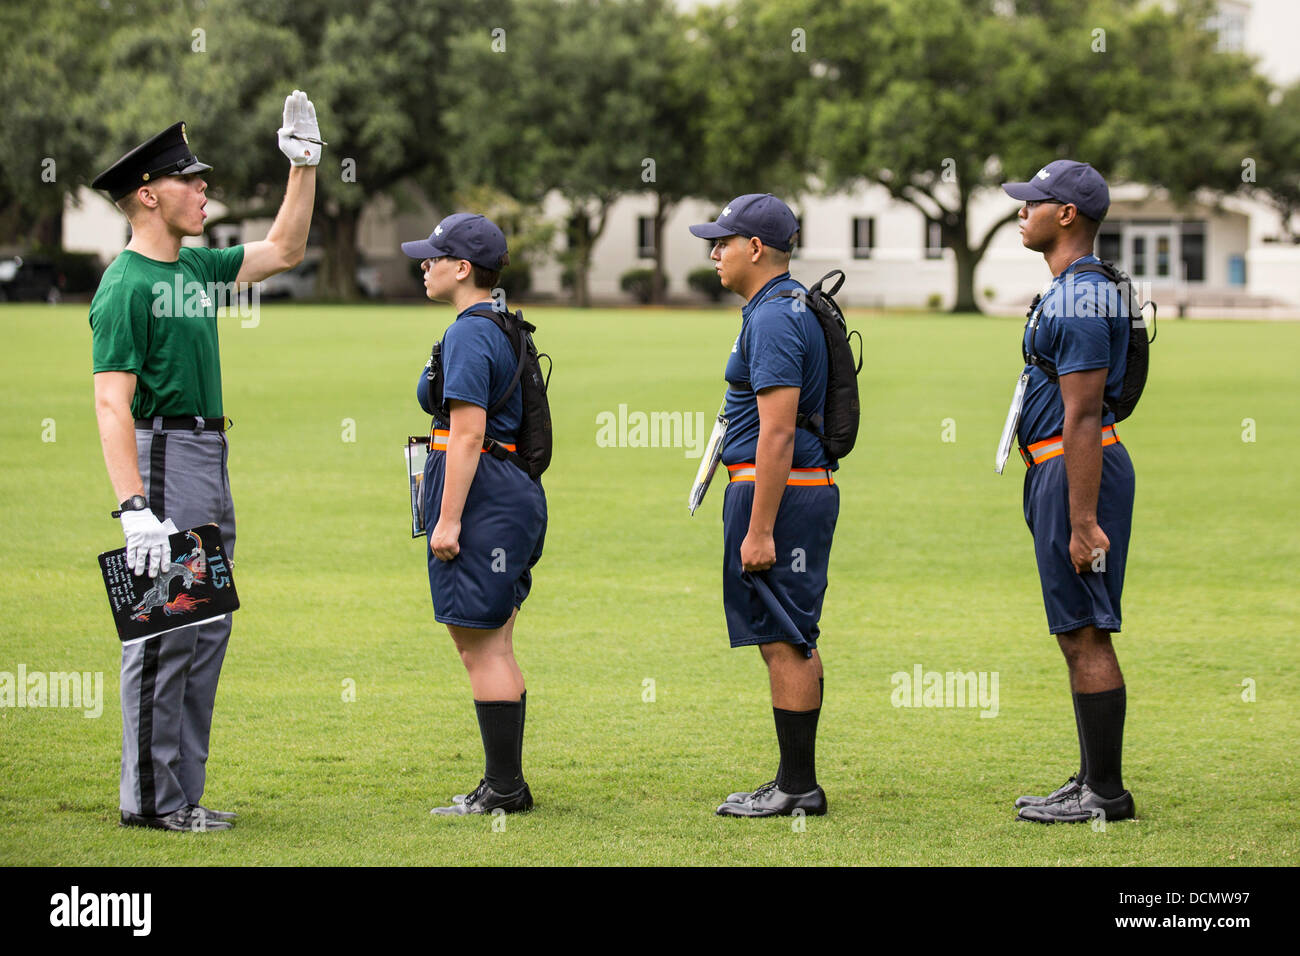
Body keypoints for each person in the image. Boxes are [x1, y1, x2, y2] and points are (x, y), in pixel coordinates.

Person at [90, 92, 321, 831]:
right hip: (163, 454)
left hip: (207, 452)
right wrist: (134, 509)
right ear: (149, 193)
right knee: (166, 629)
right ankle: (151, 803)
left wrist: (303, 167)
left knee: (205, 627)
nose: (204, 190)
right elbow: (109, 404)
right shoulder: (126, 283)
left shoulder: (192, 267)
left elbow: (284, 251)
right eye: (191, 180)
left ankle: (180, 795)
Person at [688, 194, 837, 817]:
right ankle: (794, 780)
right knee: (789, 633)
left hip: (780, 492)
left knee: (785, 637)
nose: (714, 252)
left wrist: (760, 528)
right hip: (786, 487)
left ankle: (797, 788)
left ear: (756, 249)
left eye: (723, 241)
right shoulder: (779, 308)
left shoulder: (776, 317)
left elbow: (776, 431)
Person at [1000, 160, 1136, 824]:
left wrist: (1083, 521)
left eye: (1033, 202)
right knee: (1074, 630)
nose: (1020, 210)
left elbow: (1083, 413)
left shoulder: (1082, 296)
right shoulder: (1070, 289)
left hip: (1080, 471)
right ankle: (1091, 779)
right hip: (1057, 469)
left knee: (1087, 630)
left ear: (1067, 215)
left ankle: (1106, 794)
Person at [404, 214, 546, 816]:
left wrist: (448, 520)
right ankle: (507, 785)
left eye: (434, 257)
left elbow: (466, 433)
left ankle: (504, 791)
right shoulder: (504, 323)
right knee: (497, 644)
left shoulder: (468, 331)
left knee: (481, 648)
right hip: (512, 492)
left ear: (463, 269)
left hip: (482, 494)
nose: (424, 265)